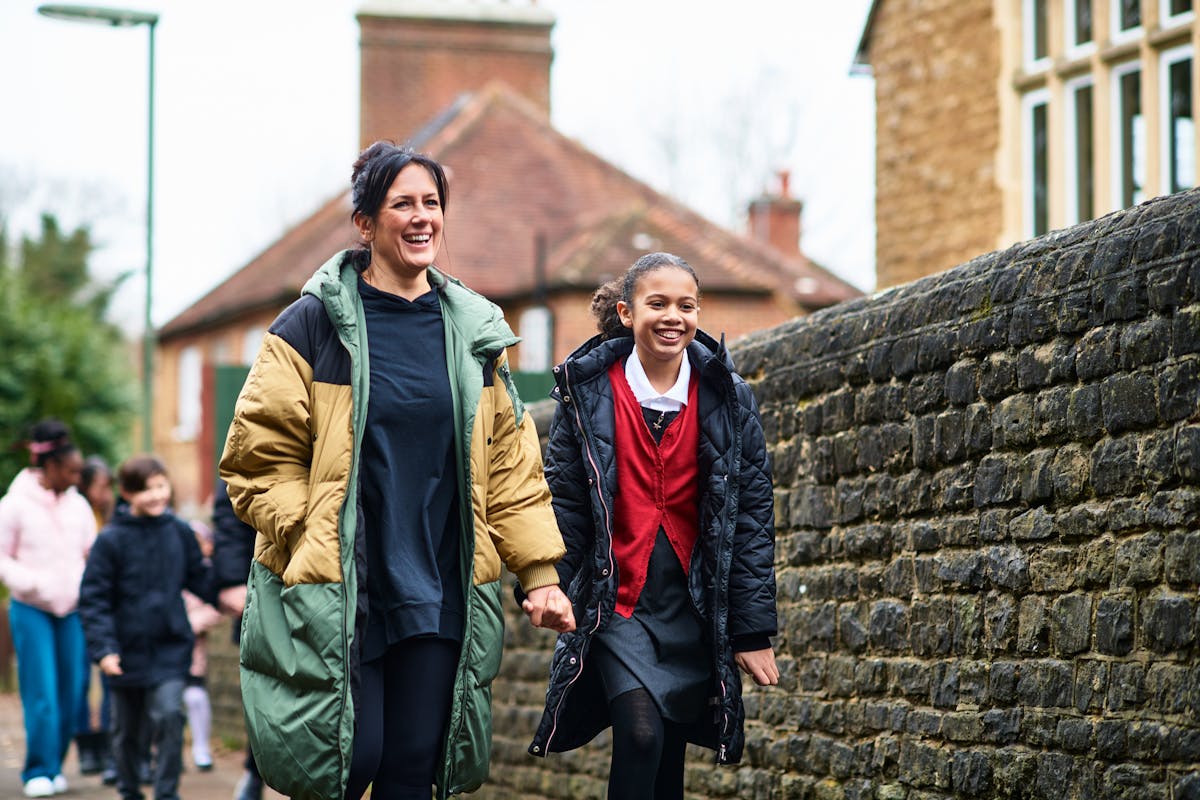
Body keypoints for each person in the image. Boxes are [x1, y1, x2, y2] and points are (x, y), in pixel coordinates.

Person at [218, 140, 574, 800]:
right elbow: (255, 457)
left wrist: (540, 576)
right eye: (402, 203)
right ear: (365, 223)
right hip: (344, 582)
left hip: (440, 582)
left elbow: (510, 467)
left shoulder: (472, 333)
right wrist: (311, 532)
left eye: (432, 203)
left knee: (415, 768)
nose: (421, 217)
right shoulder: (313, 325)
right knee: (350, 762)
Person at [528, 252, 780, 800]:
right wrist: (547, 583)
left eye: (686, 306)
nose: (674, 317)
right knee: (640, 735)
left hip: (692, 608)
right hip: (618, 605)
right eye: (657, 303)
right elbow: (566, 502)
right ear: (626, 312)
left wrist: (752, 630)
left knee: (667, 754)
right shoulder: (586, 392)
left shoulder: (730, 398)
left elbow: (753, 516)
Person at [78, 455, 215, 800]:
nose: (156, 496)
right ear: (126, 492)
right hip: (124, 652)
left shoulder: (180, 532)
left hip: (170, 648)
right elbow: (94, 600)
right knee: (127, 731)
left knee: (169, 716)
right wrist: (105, 650)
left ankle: (167, 793)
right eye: (146, 489)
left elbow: (201, 580)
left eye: (161, 486)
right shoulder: (110, 541)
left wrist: (235, 590)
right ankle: (129, 790)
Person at [0, 419, 95, 798]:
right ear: (50, 466)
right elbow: (3, 558)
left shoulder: (80, 506)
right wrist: (32, 583)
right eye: (70, 471)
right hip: (31, 609)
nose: (76, 478)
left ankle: (55, 764)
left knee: (74, 694)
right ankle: (38, 769)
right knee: (42, 692)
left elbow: (94, 555)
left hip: (72, 610)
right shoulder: (13, 505)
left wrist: (83, 584)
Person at [209, 479, 263, 800]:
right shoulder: (258, 432)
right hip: (262, 589)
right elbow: (229, 516)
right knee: (264, 690)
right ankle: (254, 771)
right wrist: (231, 580)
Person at [75, 456, 116, 780]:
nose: (106, 493)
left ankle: (106, 747)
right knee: (79, 681)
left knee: (107, 677)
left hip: (106, 606)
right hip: (74, 604)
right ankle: (86, 748)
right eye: (101, 486)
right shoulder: (75, 514)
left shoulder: (112, 516)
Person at [182, 520, 220, 773]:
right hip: (166, 650)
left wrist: (188, 625)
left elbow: (217, 607)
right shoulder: (174, 569)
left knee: (196, 697)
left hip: (193, 650)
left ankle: (201, 747)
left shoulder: (211, 574)